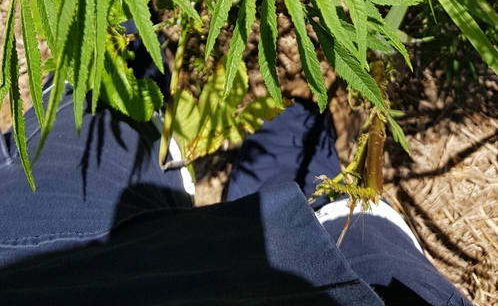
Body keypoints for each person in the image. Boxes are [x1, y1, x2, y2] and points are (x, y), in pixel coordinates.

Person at [0, 74, 471, 305]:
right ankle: (296, 117)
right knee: (327, 197)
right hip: (368, 292)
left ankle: (139, 45)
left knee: (97, 104)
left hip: (44, 265)